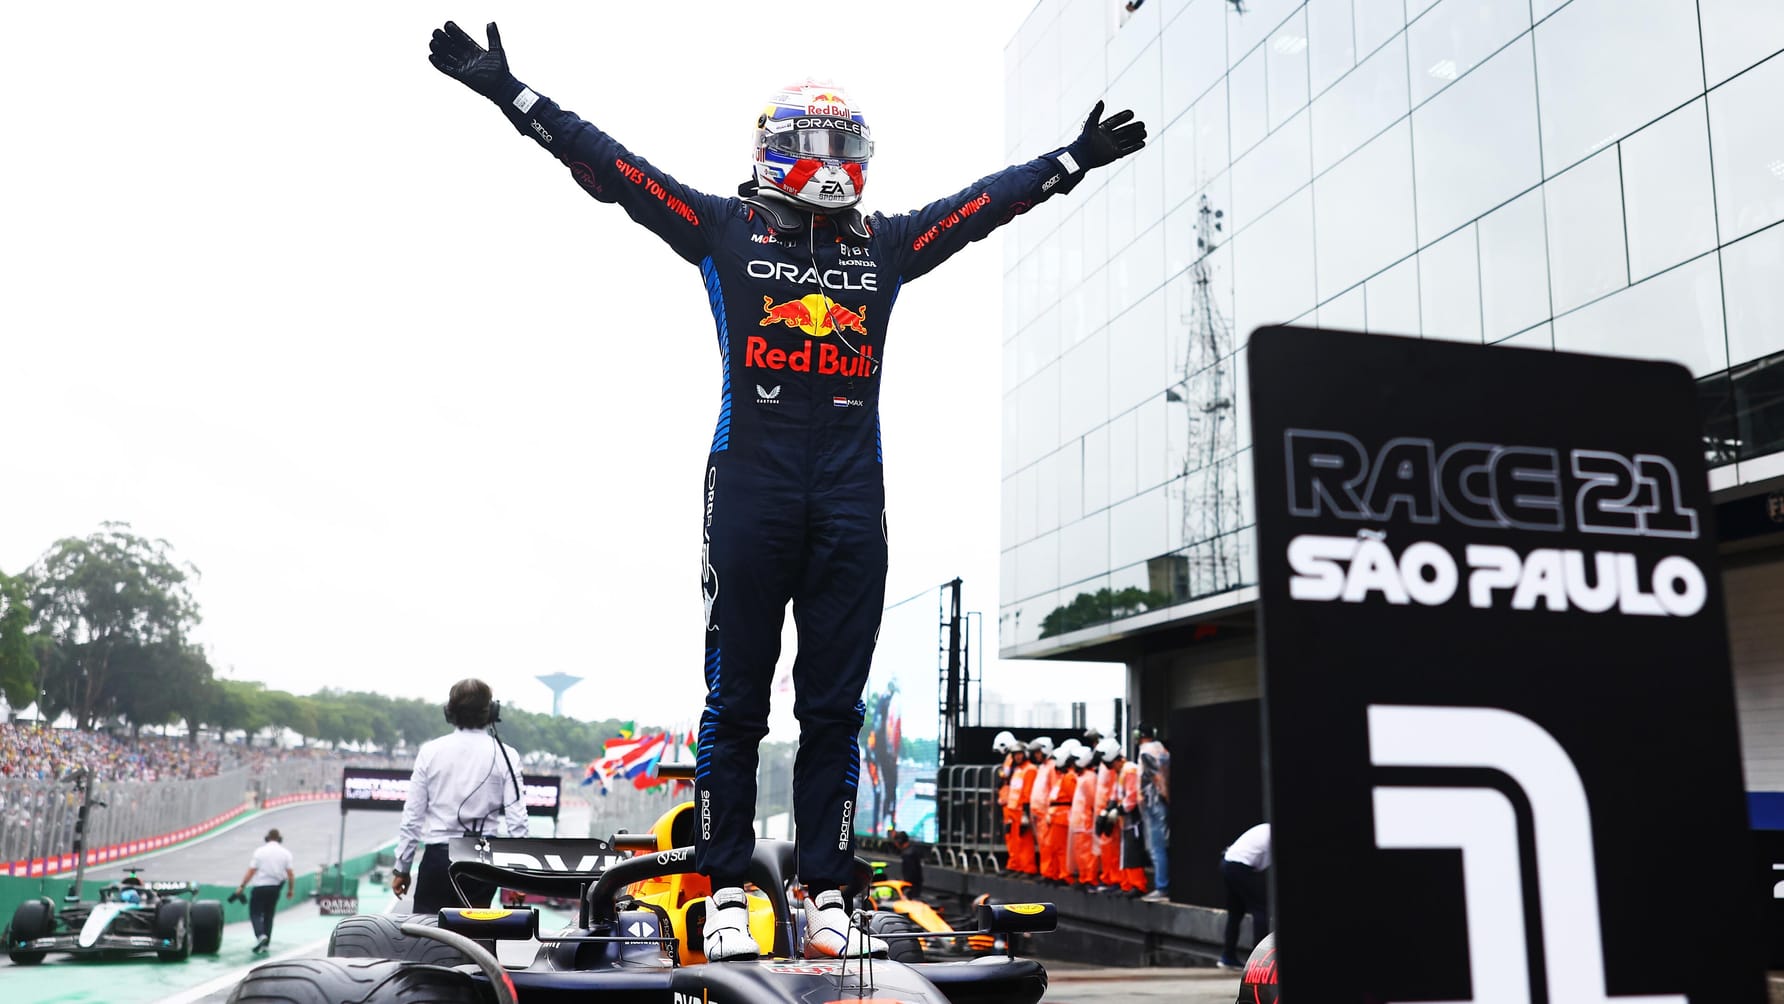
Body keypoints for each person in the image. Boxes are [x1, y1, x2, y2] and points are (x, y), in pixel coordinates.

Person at [427, 20, 1145, 961]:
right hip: (753, 494)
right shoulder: (724, 229)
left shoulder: (883, 246)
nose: (838, 161)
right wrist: (511, 95)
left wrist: (1069, 161)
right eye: (821, 144)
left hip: (853, 501)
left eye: (851, 147)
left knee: (834, 714)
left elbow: (977, 208)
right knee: (735, 709)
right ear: (776, 150)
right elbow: (614, 170)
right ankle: (727, 888)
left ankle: (827, 892)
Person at [392, 679, 528, 915]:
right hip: (483, 862)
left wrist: (402, 868)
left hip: (438, 858)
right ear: (492, 712)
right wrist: (519, 877)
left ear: (449, 711)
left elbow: (413, 817)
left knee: (427, 940)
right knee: (476, 940)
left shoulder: (430, 752)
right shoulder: (508, 755)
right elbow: (517, 821)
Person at [1096, 738, 1146, 894]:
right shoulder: (1121, 772)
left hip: (1134, 818)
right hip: (1126, 819)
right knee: (1126, 852)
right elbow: (1115, 794)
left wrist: (1117, 810)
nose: (1110, 768)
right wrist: (1106, 811)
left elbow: (1131, 797)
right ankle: (1128, 884)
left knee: (1132, 852)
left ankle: (1138, 884)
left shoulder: (1129, 770)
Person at [1219, 822, 1272, 970]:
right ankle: (1259, 962)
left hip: (1227, 862)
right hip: (1239, 866)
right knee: (1261, 910)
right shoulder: (1271, 834)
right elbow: (1265, 863)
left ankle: (1227, 956)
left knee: (1235, 913)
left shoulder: (1264, 828)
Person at [234, 828, 294, 954]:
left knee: (255, 913)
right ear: (279, 839)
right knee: (269, 915)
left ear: (267, 838)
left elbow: (251, 871)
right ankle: (266, 944)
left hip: (260, 887)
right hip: (275, 888)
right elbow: (290, 874)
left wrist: (242, 885)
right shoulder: (285, 853)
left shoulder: (260, 852)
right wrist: (290, 890)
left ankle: (261, 935)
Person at [1134, 724, 1171, 902]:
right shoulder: (1161, 749)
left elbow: (1156, 776)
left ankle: (1161, 887)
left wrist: (1165, 794)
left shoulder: (1146, 751)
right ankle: (1162, 885)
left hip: (1153, 802)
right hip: (1159, 802)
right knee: (1161, 846)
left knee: (1157, 848)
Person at [1044, 741, 1078, 885]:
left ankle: (1065, 875)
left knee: (1061, 849)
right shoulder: (1064, 777)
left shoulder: (1069, 777)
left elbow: (1072, 797)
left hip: (1062, 816)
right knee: (1055, 847)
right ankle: (1058, 873)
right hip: (1056, 816)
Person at [1068, 742, 1100, 887]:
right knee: (1080, 853)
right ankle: (1083, 877)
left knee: (1087, 853)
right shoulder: (1082, 777)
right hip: (1078, 822)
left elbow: (1093, 801)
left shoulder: (1090, 778)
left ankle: (1089, 879)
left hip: (1085, 822)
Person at [891, 829, 924, 901]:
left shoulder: (908, 855)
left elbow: (910, 874)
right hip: (916, 885)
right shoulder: (913, 850)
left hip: (911, 888)